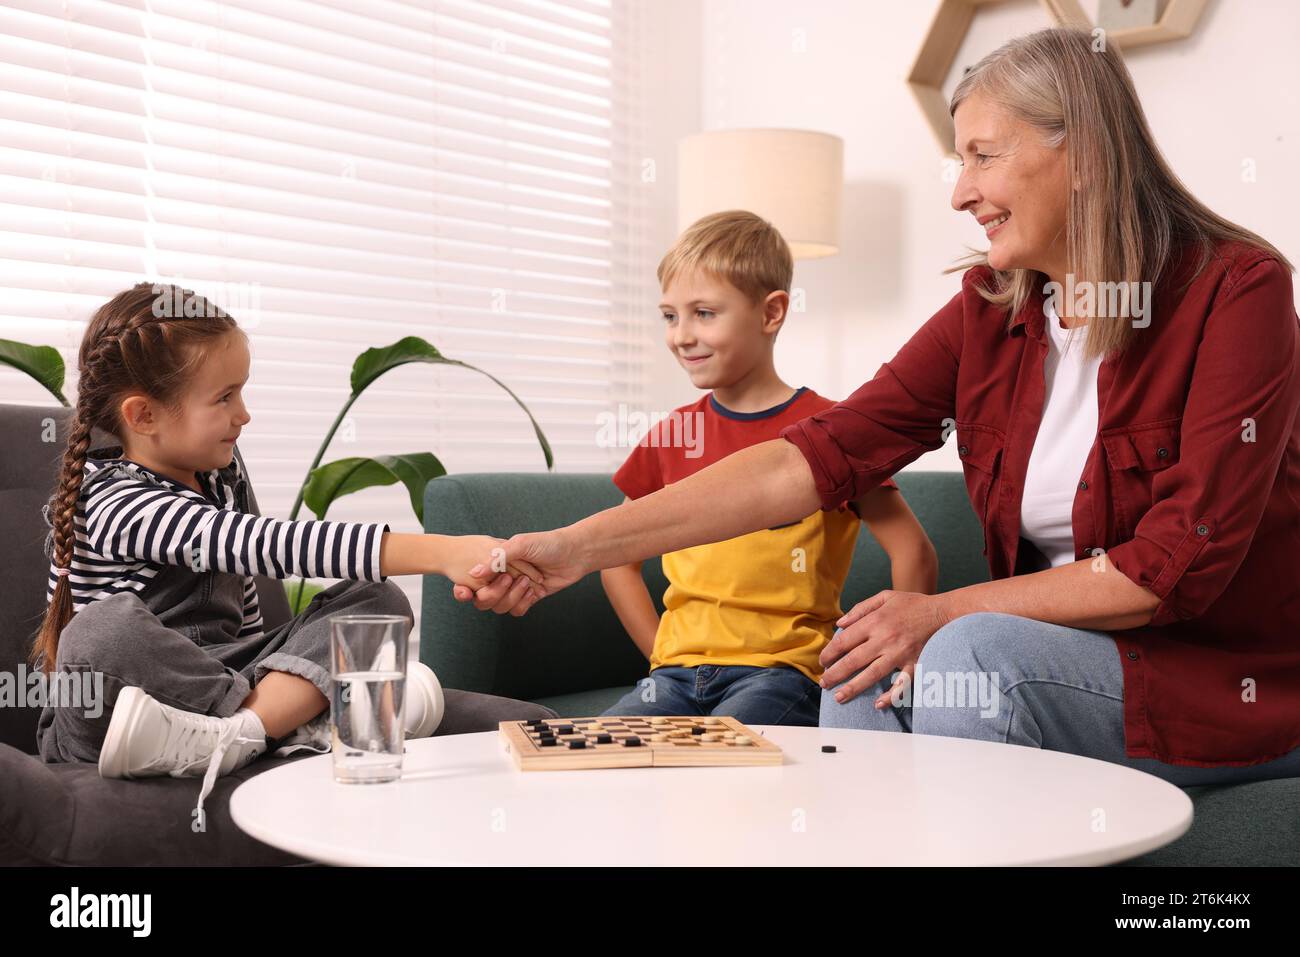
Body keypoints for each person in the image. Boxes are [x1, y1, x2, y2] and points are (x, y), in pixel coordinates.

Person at [455, 28, 1300, 787]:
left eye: (982, 156)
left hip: (1212, 685)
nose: (960, 192)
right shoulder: (990, 310)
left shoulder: (1238, 292)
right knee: (863, 668)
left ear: (1081, 154)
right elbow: (810, 458)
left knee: (964, 645)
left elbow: (1173, 564)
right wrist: (571, 547)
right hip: (1059, 661)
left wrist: (939, 612)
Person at [33, 282, 543, 818]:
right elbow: (267, 545)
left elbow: (247, 617)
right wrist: (440, 552)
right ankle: (292, 726)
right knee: (97, 634)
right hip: (120, 710)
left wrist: (266, 678)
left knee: (376, 597)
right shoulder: (113, 500)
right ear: (144, 416)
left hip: (227, 685)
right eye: (224, 397)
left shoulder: (220, 474)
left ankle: (243, 734)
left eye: (241, 392)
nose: (243, 414)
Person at [599, 210, 936, 726]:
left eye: (704, 313)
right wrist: (659, 654)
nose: (681, 336)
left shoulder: (831, 431)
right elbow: (615, 557)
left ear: (772, 312)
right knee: (600, 754)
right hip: (672, 675)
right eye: (670, 316)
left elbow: (912, 549)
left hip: (783, 673)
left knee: (736, 762)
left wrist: (904, 653)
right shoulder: (673, 434)